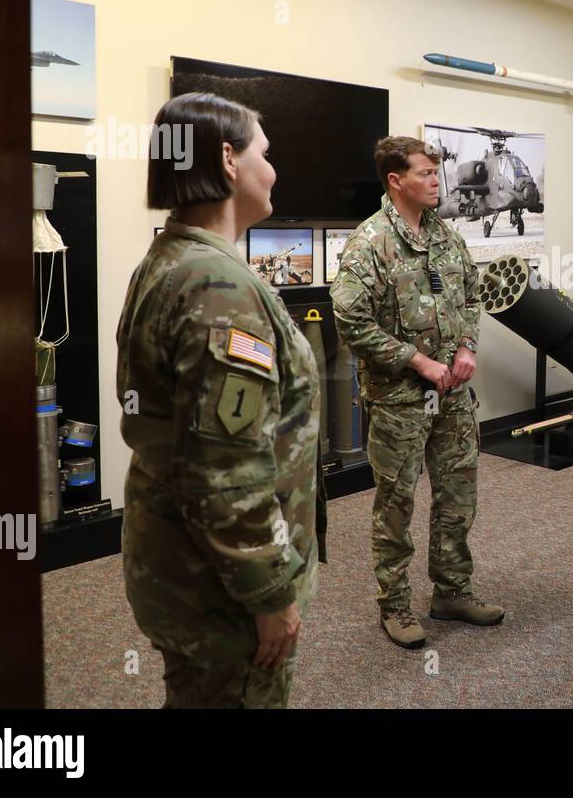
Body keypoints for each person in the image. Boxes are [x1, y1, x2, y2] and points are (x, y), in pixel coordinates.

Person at [117, 92, 321, 708]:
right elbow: (226, 470)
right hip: (219, 585)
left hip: (182, 559)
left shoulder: (172, 258)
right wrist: (269, 595)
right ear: (229, 160)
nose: (274, 168)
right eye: (267, 152)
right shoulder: (219, 285)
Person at [330, 136, 502, 650]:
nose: (436, 181)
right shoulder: (369, 244)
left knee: (458, 496)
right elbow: (350, 321)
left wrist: (468, 346)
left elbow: (472, 294)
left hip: (452, 395)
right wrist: (419, 361)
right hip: (399, 399)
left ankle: (451, 591)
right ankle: (396, 605)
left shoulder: (446, 235)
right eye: (426, 173)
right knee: (396, 503)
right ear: (395, 181)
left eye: (436, 172)